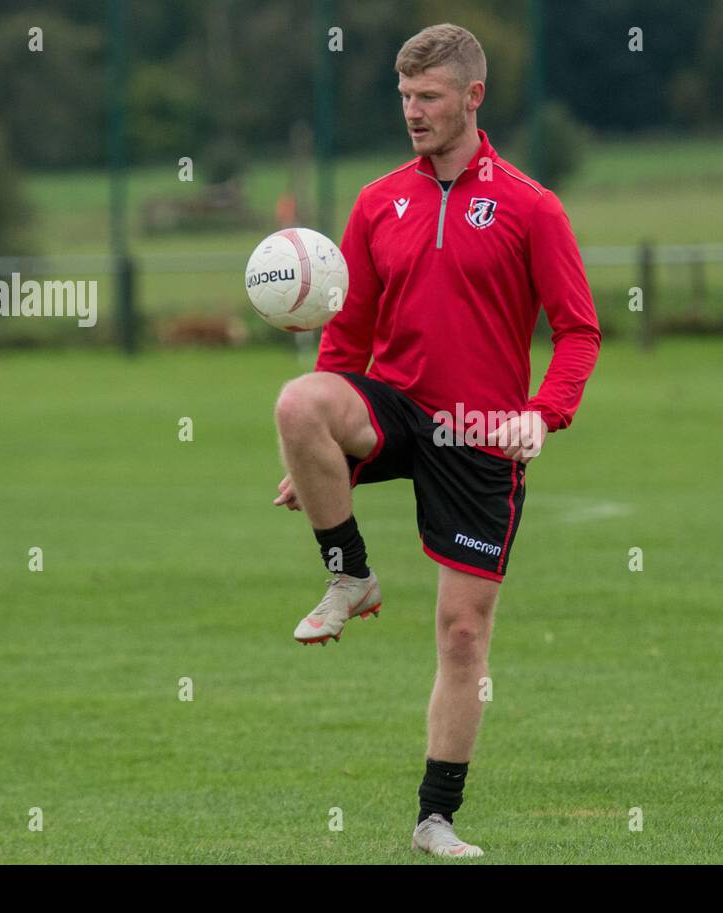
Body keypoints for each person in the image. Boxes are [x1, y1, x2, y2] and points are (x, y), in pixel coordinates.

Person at [273, 23, 601, 856]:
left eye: (429, 97)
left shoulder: (532, 204)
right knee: (295, 402)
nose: (414, 113)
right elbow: (345, 332)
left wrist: (544, 411)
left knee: (462, 632)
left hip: (483, 431)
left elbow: (579, 330)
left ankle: (435, 818)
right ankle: (349, 575)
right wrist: (320, 449)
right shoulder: (380, 200)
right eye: (405, 98)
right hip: (396, 405)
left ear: (473, 97)